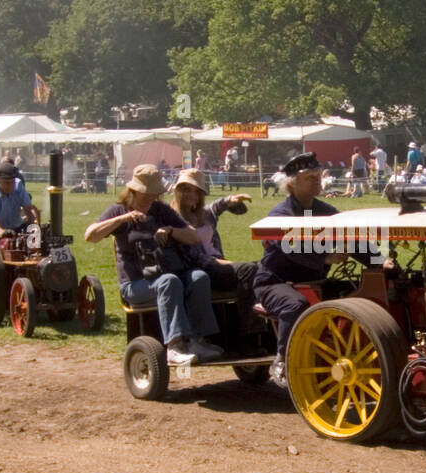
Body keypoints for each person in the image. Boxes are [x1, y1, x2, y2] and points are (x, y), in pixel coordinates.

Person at [253, 152, 394, 387]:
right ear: (291, 183)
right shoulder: (279, 214)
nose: (317, 181)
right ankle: (283, 362)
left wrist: (379, 262)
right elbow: (289, 248)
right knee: (294, 305)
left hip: (314, 282)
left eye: (318, 176)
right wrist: (325, 259)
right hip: (276, 282)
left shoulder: (326, 211)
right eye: (310, 177)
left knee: (354, 293)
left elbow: (352, 238)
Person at [85, 164, 220, 365]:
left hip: (167, 274)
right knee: (169, 281)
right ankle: (175, 346)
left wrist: (170, 230)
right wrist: (123, 219)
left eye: (154, 193)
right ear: (133, 190)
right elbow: (90, 235)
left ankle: (197, 340)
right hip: (136, 284)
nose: (149, 197)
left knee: (199, 278)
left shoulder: (161, 211)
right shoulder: (118, 210)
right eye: (145, 193)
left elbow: (193, 237)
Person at [169, 169, 262, 335]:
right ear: (178, 191)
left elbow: (217, 206)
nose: (192, 195)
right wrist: (228, 263)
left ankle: (266, 330)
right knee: (249, 269)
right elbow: (197, 258)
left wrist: (230, 200)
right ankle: (249, 334)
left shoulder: (203, 214)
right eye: (186, 190)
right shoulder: (173, 218)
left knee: (264, 267)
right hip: (200, 270)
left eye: (196, 191)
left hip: (217, 265)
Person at [0, 161, 38, 241]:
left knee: (37, 241)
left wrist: (35, 226)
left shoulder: (18, 185)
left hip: (15, 228)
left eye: (12, 182)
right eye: (7, 183)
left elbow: (29, 210)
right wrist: (4, 234)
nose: (11, 186)